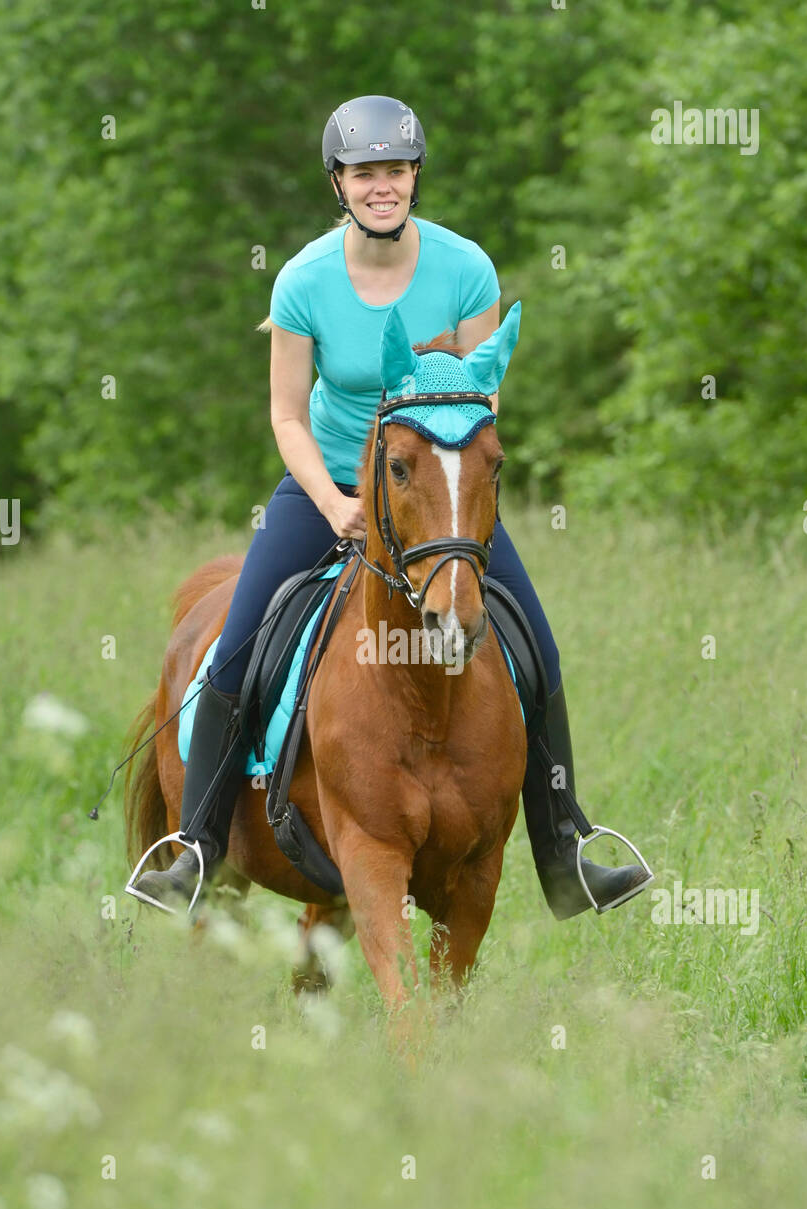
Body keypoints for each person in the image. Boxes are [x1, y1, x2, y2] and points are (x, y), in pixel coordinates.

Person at [132, 94, 651, 919]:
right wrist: (335, 501)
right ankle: (194, 845)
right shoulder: (304, 278)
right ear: (338, 182)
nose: (383, 186)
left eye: (396, 171)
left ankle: (564, 849)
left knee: (537, 651)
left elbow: (477, 406)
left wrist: (447, 502)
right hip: (328, 487)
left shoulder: (464, 268)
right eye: (364, 173)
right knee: (231, 652)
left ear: (415, 177)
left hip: (434, 499)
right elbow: (285, 417)